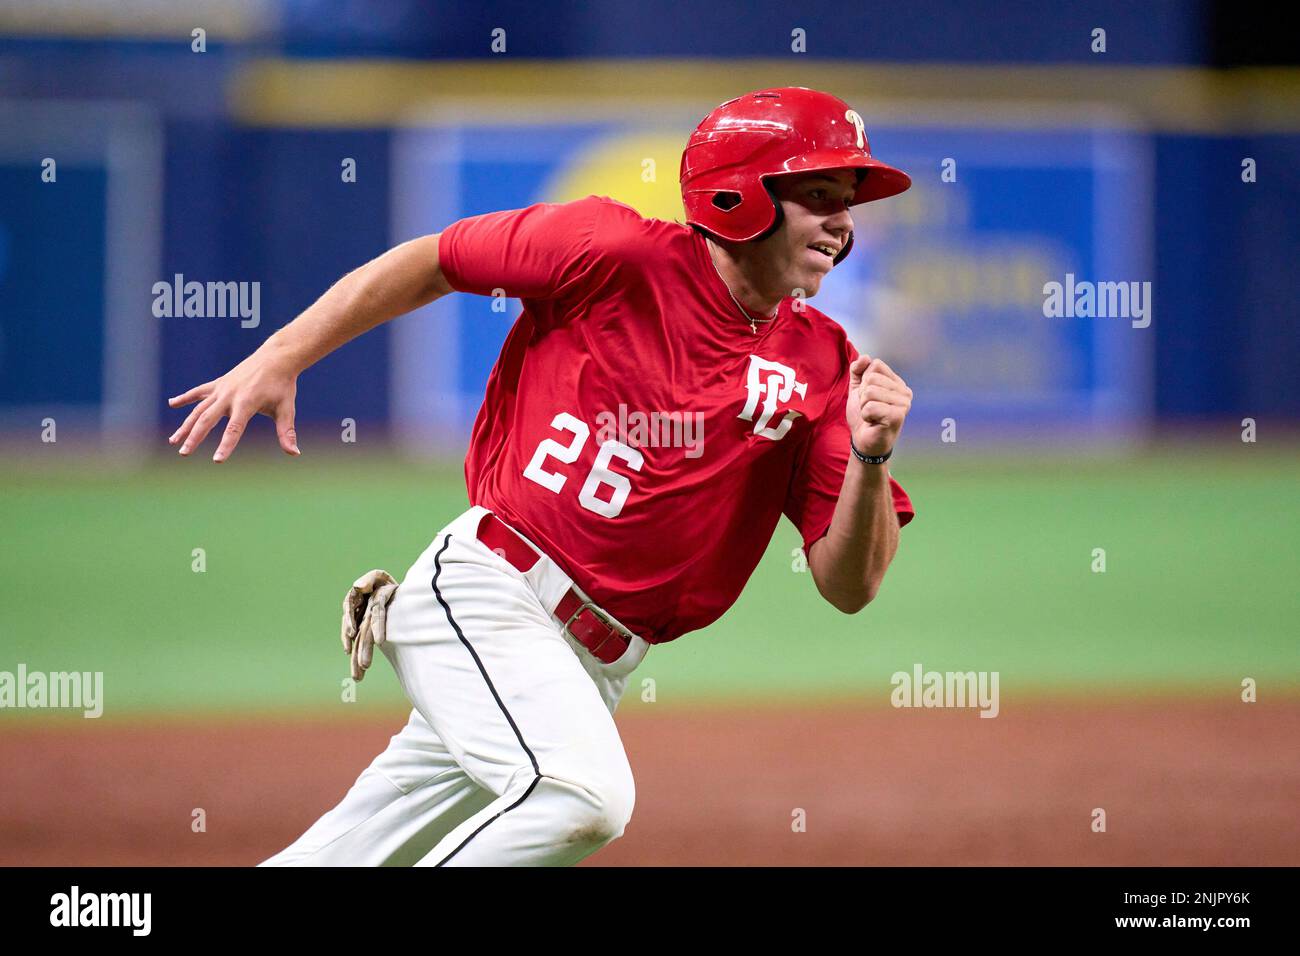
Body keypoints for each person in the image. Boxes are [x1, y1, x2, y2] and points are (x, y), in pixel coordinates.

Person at [167, 87, 917, 866]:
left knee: (348, 854)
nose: (844, 221)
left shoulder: (826, 365)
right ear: (738, 196)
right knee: (581, 798)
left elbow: (849, 584)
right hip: (495, 591)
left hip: (593, 664)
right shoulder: (608, 247)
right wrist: (281, 356)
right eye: (819, 195)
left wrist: (870, 455)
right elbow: (433, 261)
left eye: (848, 201)